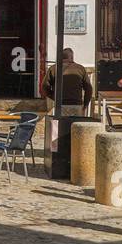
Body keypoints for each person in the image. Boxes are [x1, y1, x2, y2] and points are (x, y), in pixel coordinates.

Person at [42, 48, 93, 179]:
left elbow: (44, 87)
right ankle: (77, 157)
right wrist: (85, 104)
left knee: (57, 132)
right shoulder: (80, 69)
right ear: (72, 57)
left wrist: (55, 98)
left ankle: (56, 159)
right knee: (76, 132)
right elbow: (88, 88)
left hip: (61, 105)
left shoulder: (54, 68)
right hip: (76, 105)